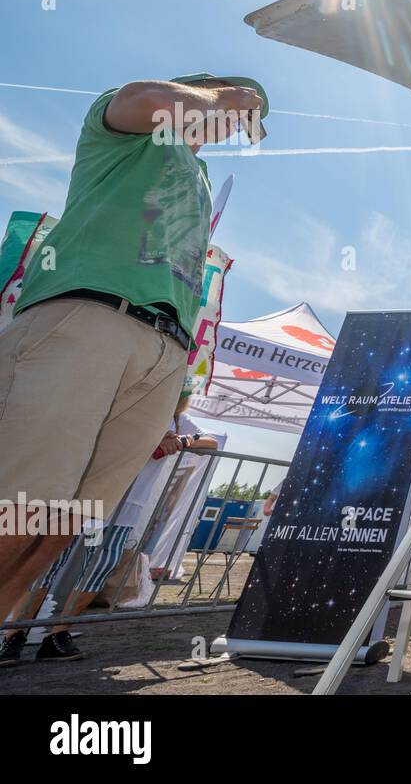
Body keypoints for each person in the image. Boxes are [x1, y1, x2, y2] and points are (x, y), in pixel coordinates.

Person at [0, 74, 268, 618]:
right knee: (22, 507)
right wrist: (225, 98)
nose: (236, 124)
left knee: (69, 521)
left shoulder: (199, 173)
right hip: (91, 313)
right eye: (239, 112)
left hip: (163, 347)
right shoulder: (126, 120)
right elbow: (144, 101)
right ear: (196, 90)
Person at [0, 395, 219, 665]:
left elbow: (212, 441)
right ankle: (14, 635)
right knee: (48, 562)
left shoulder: (176, 417)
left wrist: (182, 440)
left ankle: (58, 635)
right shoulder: (124, 396)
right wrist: (153, 438)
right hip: (82, 496)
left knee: (100, 565)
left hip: (124, 507)